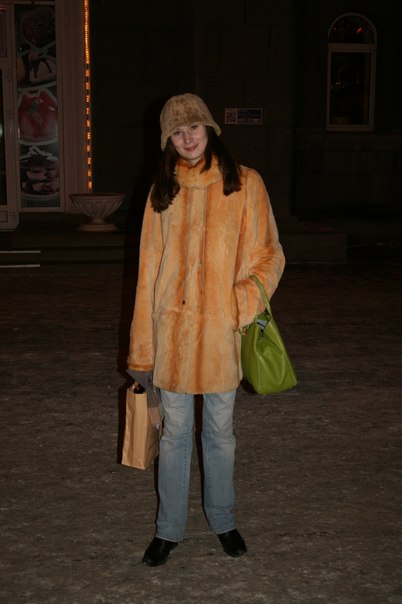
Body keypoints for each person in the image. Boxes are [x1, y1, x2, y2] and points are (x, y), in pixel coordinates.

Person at [127, 93, 285, 566]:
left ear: (210, 128)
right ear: (167, 140)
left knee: (219, 433)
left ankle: (223, 519)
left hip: (220, 336)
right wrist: (141, 350)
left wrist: (239, 304)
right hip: (172, 337)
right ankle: (168, 529)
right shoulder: (162, 190)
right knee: (175, 436)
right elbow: (147, 273)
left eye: (193, 127)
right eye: (177, 132)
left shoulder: (245, 183)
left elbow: (269, 255)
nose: (187, 138)